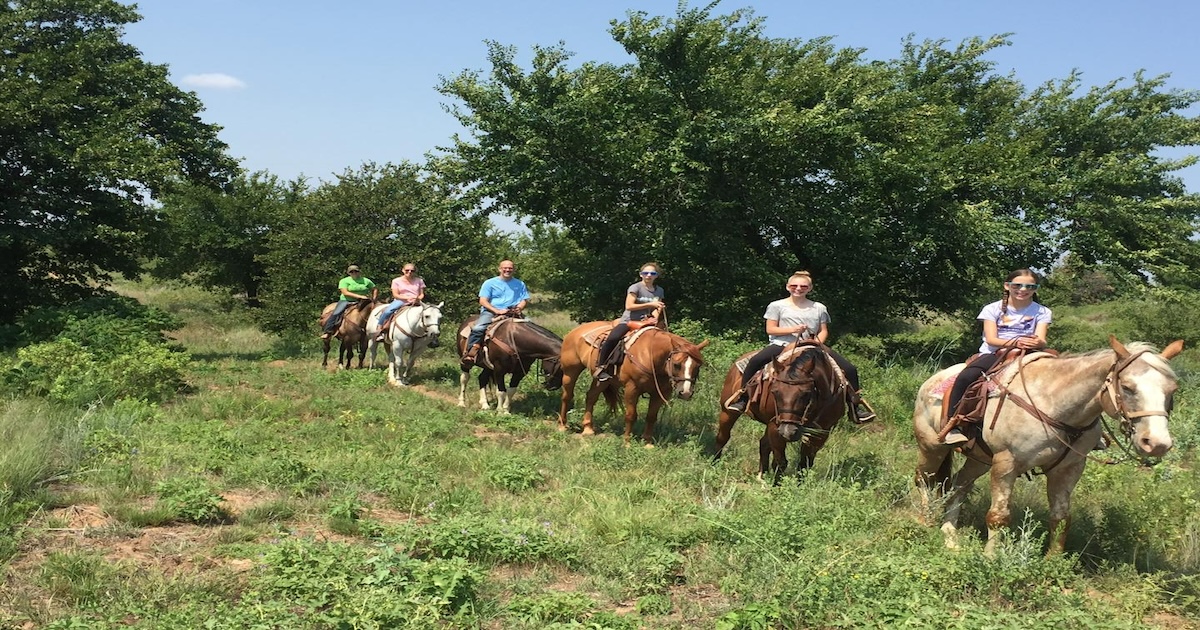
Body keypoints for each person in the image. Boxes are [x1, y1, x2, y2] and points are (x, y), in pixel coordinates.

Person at [726, 271, 875, 422]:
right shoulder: (777, 305)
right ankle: (743, 397)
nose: (798, 288)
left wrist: (818, 342)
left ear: (810, 288)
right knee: (755, 361)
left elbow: (823, 330)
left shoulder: (819, 308)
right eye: (794, 285)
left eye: (803, 286)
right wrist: (793, 330)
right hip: (782, 344)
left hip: (812, 345)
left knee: (850, 369)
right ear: (787, 287)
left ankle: (855, 407)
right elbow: (771, 329)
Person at [943, 268, 1051, 445]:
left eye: (1029, 286)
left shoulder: (1042, 311)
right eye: (1017, 285)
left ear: (1035, 288)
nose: (1023, 289)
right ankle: (952, 423)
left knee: (1064, 371)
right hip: (994, 353)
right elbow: (992, 339)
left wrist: (1036, 343)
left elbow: (1041, 339)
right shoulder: (991, 309)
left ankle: (1081, 428)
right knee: (967, 376)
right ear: (1007, 286)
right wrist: (1016, 343)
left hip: (1027, 353)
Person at [594, 262, 666, 382]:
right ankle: (601, 367)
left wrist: (655, 316)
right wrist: (650, 304)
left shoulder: (659, 290)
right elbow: (629, 306)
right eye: (645, 273)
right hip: (629, 321)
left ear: (656, 276)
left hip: (646, 322)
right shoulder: (635, 287)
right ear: (641, 275)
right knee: (613, 338)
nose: (649, 275)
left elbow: (655, 308)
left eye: (652, 273)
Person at [461, 259, 530, 367]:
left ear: (514, 270)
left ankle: (528, 356)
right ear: (499, 269)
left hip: (512, 312)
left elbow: (524, 299)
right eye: (505, 268)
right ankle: (471, 353)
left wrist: (519, 308)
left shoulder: (520, 284)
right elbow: (482, 301)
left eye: (510, 268)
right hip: (492, 312)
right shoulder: (489, 283)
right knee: (479, 328)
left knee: (532, 328)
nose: (507, 270)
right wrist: (497, 310)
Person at [321, 265, 378, 339]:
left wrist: (374, 298)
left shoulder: (366, 280)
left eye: (356, 271)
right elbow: (345, 292)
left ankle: (378, 330)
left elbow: (375, 288)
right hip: (346, 300)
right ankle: (328, 331)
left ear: (359, 272)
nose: (354, 273)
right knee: (336, 313)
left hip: (363, 301)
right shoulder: (344, 281)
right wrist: (360, 296)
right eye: (352, 272)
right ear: (349, 273)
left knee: (375, 311)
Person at [374, 263, 427, 341]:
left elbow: (422, 294)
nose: (409, 272)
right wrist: (407, 298)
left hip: (416, 301)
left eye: (412, 270)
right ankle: (380, 330)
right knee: (387, 311)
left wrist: (418, 299)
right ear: (403, 270)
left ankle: (431, 335)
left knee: (431, 313)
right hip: (401, 301)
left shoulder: (419, 281)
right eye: (407, 270)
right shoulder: (396, 281)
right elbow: (395, 295)